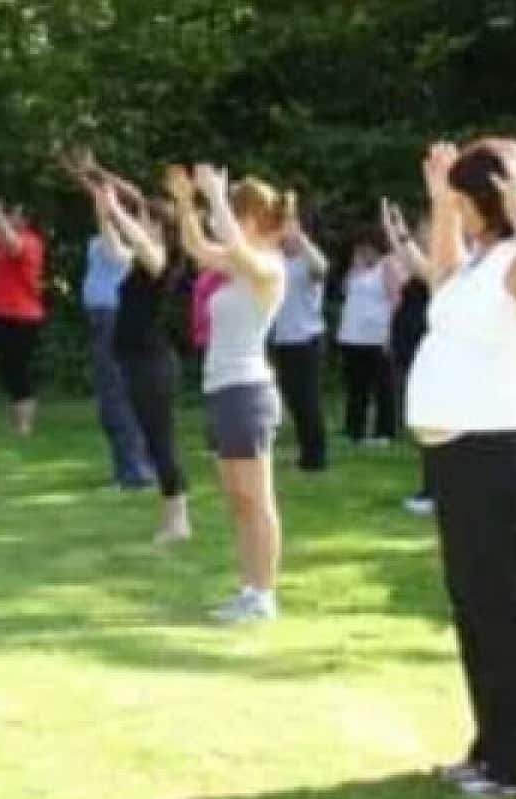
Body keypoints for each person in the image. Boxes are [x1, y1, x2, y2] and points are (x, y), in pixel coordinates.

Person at [408, 138, 516, 796]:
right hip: (462, 454)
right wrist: (440, 207)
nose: (456, 213)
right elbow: (443, 288)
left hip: (508, 449)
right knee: (479, 608)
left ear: (492, 200)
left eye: (463, 202)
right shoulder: (483, 261)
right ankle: (492, 751)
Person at [169, 163, 288, 623]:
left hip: (248, 391)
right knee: (237, 499)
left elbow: (235, 246)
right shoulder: (237, 264)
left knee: (257, 498)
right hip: (221, 390)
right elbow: (196, 245)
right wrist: (185, 202)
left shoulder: (268, 268)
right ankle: (248, 589)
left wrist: (215, 196)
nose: (230, 222)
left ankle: (264, 596)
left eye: (238, 214)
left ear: (254, 219)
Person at [93, 168, 192, 543]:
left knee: (160, 442)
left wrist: (118, 209)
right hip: (136, 362)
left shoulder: (160, 259)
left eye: (146, 220)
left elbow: (134, 237)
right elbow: (112, 246)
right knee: (153, 441)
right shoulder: (140, 260)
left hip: (152, 365)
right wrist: (104, 211)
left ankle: (178, 521)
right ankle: (172, 520)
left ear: (158, 227)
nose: (139, 223)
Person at [59, 150, 155, 489]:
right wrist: (85, 172)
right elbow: (118, 195)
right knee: (119, 394)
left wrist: (101, 195)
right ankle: (138, 467)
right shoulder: (128, 230)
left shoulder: (126, 240)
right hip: (107, 319)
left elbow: (128, 202)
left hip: (110, 319)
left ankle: (132, 472)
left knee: (113, 397)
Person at [266, 199, 330, 472]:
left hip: (307, 339)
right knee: (294, 400)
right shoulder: (276, 258)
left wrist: (300, 238)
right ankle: (306, 452)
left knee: (308, 400)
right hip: (283, 340)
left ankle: (315, 458)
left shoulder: (308, 259)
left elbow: (322, 268)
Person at [0, 197, 47, 437]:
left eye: (13, 214)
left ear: (26, 221)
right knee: (6, 369)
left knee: (18, 369)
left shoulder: (30, 242)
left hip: (22, 316)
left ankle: (24, 427)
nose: (8, 217)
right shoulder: (6, 241)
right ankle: (15, 425)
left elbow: (13, 245)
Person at [382, 199, 434, 514]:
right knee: (422, 420)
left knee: (433, 421)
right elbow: (405, 255)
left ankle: (435, 492)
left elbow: (414, 261)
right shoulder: (422, 257)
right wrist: (394, 228)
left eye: (427, 228)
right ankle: (432, 489)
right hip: (413, 346)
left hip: (427, 346)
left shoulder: (443, 265)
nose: (422, 233)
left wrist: (401, 235)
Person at [336, 227, 402, 446]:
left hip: (376, 336)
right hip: (352, 336)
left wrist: (389, 333)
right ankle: (354, 428)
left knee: (383, 386)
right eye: (359, 250)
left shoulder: (387, 266)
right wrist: (355, 268)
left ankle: (385, 430)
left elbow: (395, 300)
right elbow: (345, 290)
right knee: (356, 386)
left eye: (366, 250)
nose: (363, 254)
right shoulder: (356, 269)